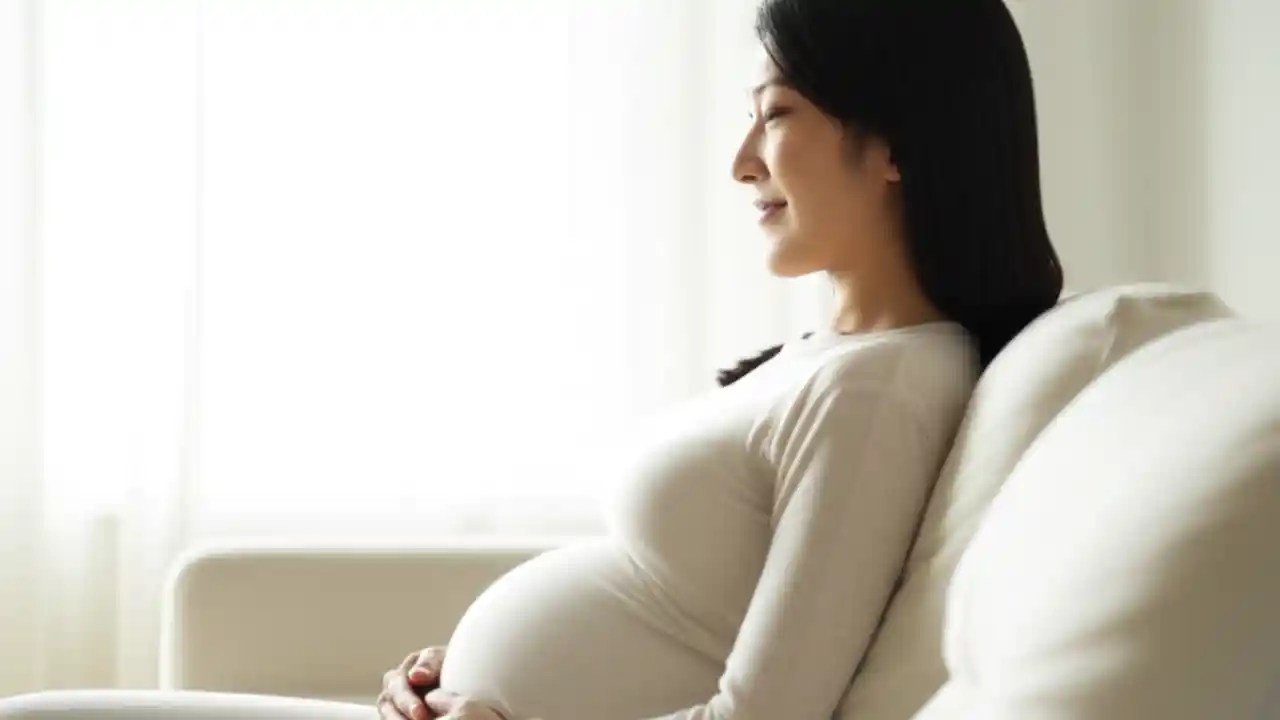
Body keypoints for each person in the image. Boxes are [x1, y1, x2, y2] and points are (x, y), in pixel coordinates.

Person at [376, 0, 1062, 719]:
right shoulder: (830, 363)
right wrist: (454, 673)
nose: (742, 163)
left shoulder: (877, 391)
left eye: (777, 116)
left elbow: (766, 714)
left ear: (897, 141)